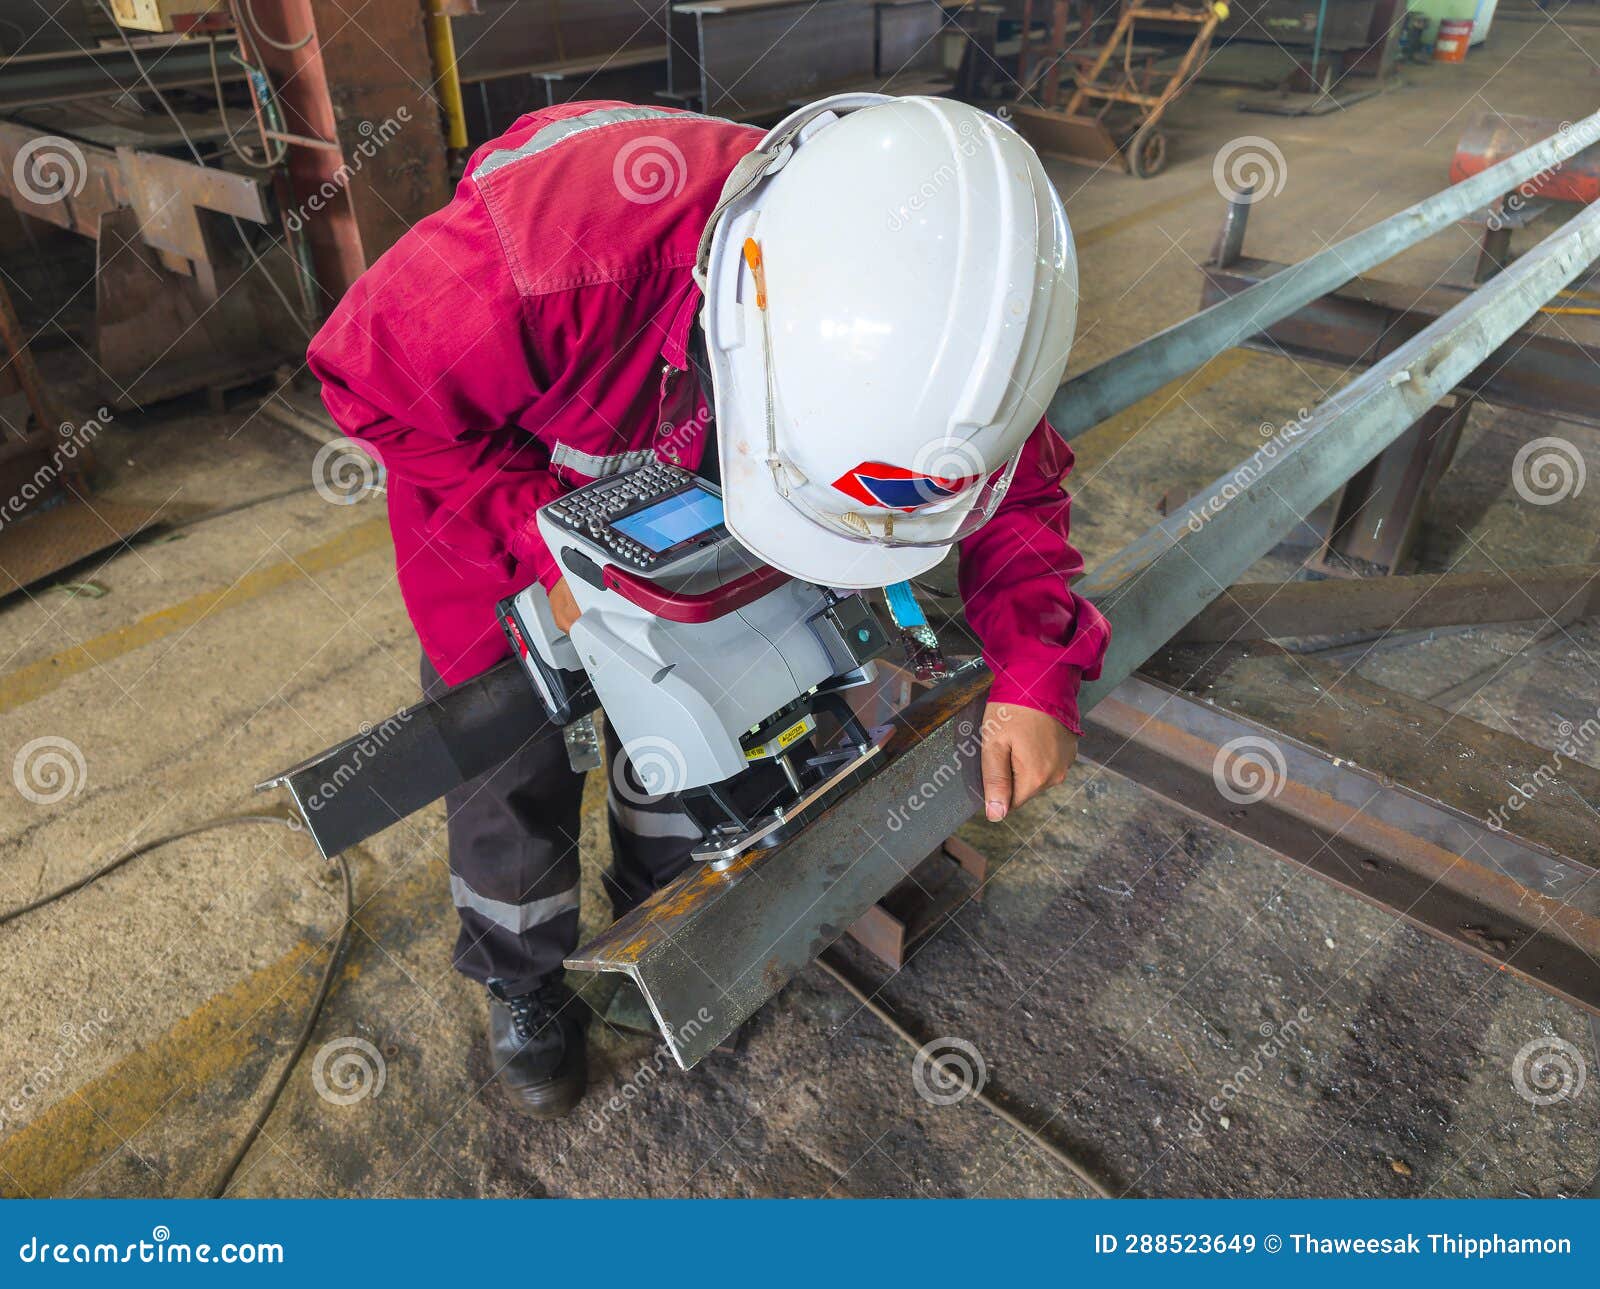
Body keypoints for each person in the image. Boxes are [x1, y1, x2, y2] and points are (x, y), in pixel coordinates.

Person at [307, 95, 1110, 1119]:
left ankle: (664, 915)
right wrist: (543, 534)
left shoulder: (952, 349)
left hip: (708, 507)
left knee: (714, 718)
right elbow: (362, 375)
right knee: (513, 757)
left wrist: (1036, 672)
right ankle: (524, 976)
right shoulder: (551, 251)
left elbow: (1015, 498)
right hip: (506, 504)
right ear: (748, 328)